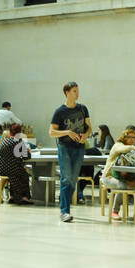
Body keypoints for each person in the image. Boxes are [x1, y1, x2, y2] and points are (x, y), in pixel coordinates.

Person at [48, 81, 90, 223]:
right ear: (67, 92)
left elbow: (89, 128)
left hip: (79, 148)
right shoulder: (60, 112)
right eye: (74, 91)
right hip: (65, 147)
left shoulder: (83, 109)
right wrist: (67, 132)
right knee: (66, 178)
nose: (77, 94)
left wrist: (86, 135)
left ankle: (65, 208)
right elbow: (52, 132)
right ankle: (64, 210)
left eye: (78, 91)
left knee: (72, 179)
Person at [101, 128, 135, 222]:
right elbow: (123, 149)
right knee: (122, 185)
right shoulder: (118, 145)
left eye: (134, 138)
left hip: (124, 176)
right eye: (129, 137)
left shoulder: (132, 149)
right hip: (109, 177)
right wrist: (134, 147)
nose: (132, 139)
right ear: (124, 138)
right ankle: (114, 211)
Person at [0, 123, 33, 205]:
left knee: (15, 173)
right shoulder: (18, 142)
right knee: (24, 175)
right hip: (12, 170)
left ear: (10, 131)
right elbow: (27, 157)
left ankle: (13, 196)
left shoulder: (4, 141)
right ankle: (24, 197)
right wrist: (28, 151)